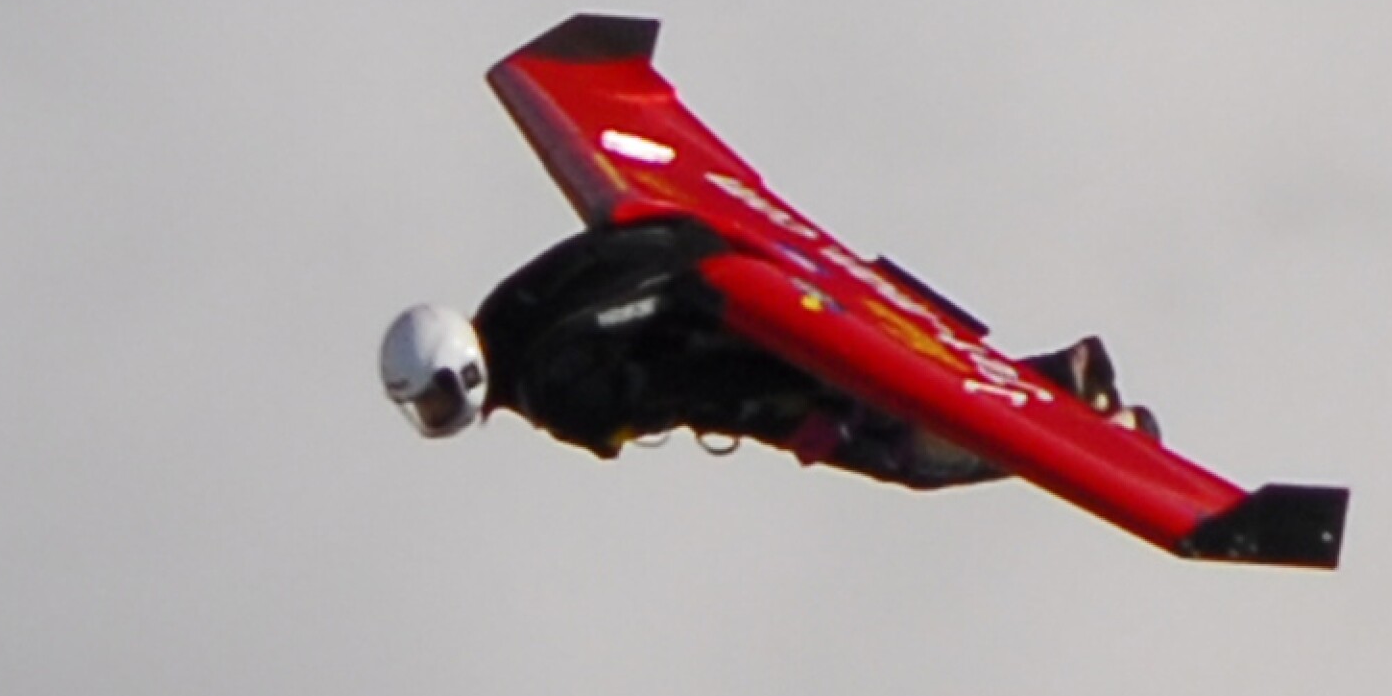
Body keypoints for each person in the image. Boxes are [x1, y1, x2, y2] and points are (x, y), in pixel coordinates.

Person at [379, 217, 1149, 487]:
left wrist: (791, 388)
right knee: (898, 429)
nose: (439, 414)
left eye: (439, 396)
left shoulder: (553, 384)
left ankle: (1092, 427)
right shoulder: (509, 315)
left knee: (911, 451)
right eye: (426, 406)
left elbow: (666, 374)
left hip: (753, 351)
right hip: (725, 284)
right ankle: (1060, 377)